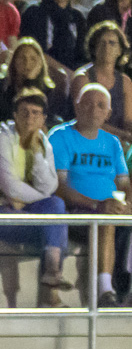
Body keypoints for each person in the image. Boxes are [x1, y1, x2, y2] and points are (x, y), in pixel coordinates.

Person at [0, 89, 69, 302]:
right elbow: (11, 187)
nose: (29, 117)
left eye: (36, 113)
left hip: (24, 213)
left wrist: (35, 152)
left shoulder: (43, 141)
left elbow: (50, 185)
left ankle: (51, 275)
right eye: (24, 112)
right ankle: (52, 293)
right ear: (14, 115)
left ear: (43, 118)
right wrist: (27, 201)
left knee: (56, 207)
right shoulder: (2, 140)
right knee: (56, 224)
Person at [50, 82, 132, 307]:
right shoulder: (60, 137)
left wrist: (127, 203)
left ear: (108, 113)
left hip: (108, 209)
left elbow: (124, 183)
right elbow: (60, 187)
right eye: (88, 104)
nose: (94, 110)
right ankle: (105, 291)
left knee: (116, 216)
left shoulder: (112, 143)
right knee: (106, 218)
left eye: (100, 105)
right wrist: (97, 205)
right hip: (76, 212)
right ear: (76, 107)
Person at [69, 22, 132, 147]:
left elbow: (128, 120)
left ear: (120, 50)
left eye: (112, 43)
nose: (106, 47)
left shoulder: (125, 82)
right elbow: (85, 119)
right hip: (85, 137)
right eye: (102, 43)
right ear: (94, 47)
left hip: (120, 140)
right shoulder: (83, 78)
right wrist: (121, 135)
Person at [21, 0, 87, 83]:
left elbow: (82, 54)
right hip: (42, 71)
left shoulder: (77, 18)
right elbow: (37, 50)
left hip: (73, 74)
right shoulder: (35, 12)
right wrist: (65, 72)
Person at [0, 36, 62, 124]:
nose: (27, 63)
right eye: (22, 58)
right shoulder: (0, 86)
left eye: (33, 59)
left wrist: (31, 81)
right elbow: (8, 118)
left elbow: (43, 121)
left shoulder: (49, 90)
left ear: (40, 63)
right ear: (14, 61)